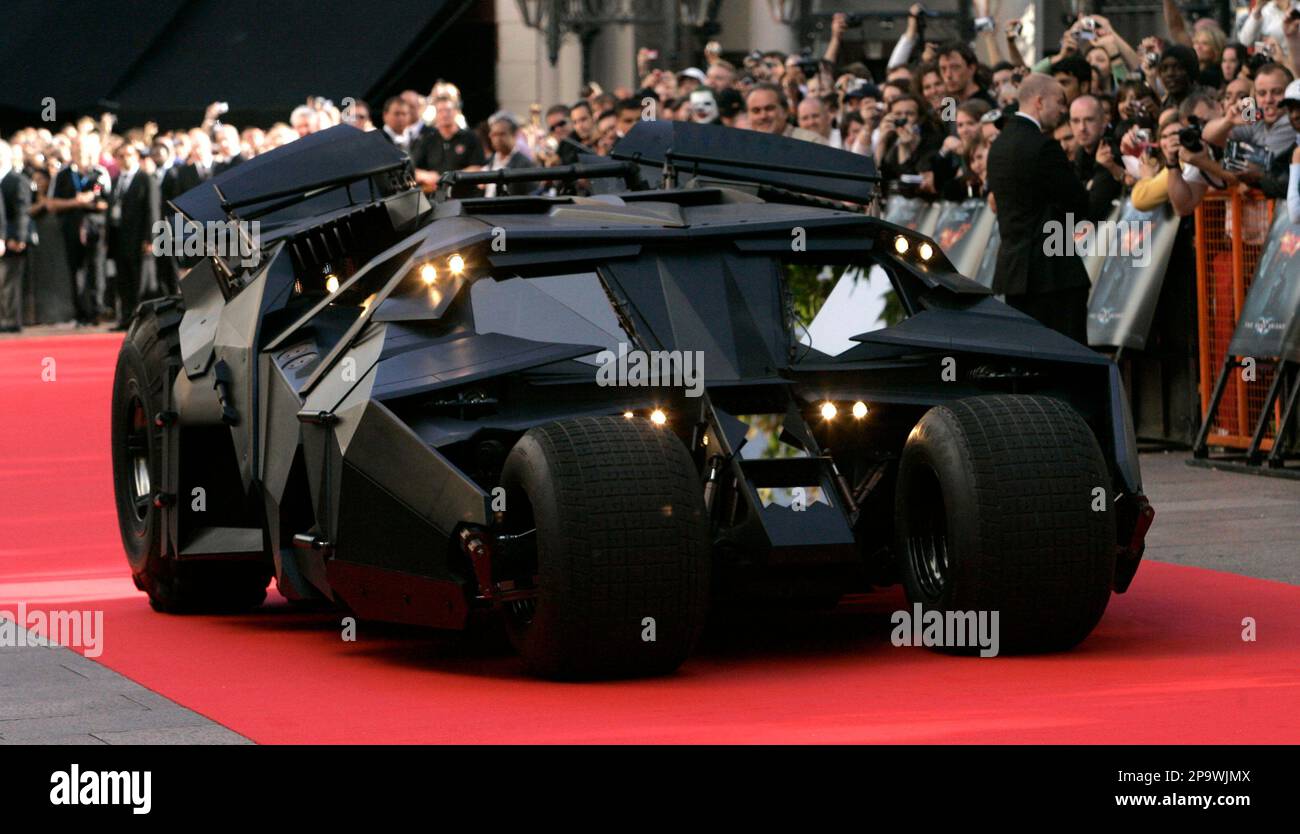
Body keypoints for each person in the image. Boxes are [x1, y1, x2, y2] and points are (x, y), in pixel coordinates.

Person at [985, 73, 1090, 341]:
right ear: (1040, 102)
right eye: (1060, 102)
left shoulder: (998, 147)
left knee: (1027, 360)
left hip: (1015, 276)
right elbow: (1078, 203)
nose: (1063, 110)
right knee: (1068, 360)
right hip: (1055, 275)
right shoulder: (1044, 147)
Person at [107, 141, 159, 329]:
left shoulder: (146, 179)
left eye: (128, 155)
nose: (124, 159)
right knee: (123, 281)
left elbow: (152, 211)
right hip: (119, 238)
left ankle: (140, 322)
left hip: (139, 239)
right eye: (120, 156)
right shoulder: (115, 181)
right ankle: (126, 319)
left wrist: (151, 239)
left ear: (136, 157)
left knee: (140, 282)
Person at [411, 96, 486, 193]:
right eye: (440, 111)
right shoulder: (427, 139)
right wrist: (426, 175)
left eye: (448, 110)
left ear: (456, 112)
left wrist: (449, 177)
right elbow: (413, 170)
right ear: (436, 114)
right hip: (435, 197)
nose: (444, 115)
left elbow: (478, 168)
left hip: (464, 195)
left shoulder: (470, 137)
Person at [0, 140, 32, 332]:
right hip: (4, 238)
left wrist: (18, 237)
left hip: (12, 239)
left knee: (10, 281)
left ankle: (11, 320)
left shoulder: (16, 180)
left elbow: (22, 211)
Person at [482, 113, 534, 198]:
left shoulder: (524, 164)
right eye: (494, 134)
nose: (497, 139)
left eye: (501, 134)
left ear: (513, 135)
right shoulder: (489, 161)